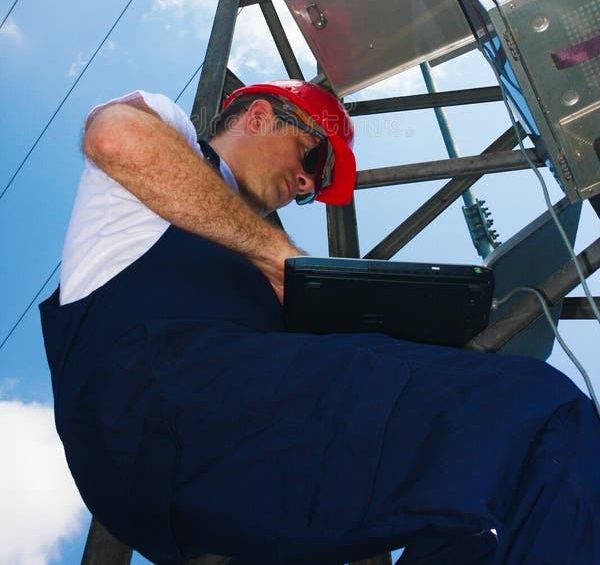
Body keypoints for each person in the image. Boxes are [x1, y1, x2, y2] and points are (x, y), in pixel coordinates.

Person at [40, 80, 600, 565]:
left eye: (317, 181)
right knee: (535, 418)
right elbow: (113, 137)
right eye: (312, 158)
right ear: (259, 116)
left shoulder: (258, 281)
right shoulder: (170, 132)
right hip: (156, 397)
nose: (308, 185)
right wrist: (277, 256)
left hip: (186, 490)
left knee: (480, 526)